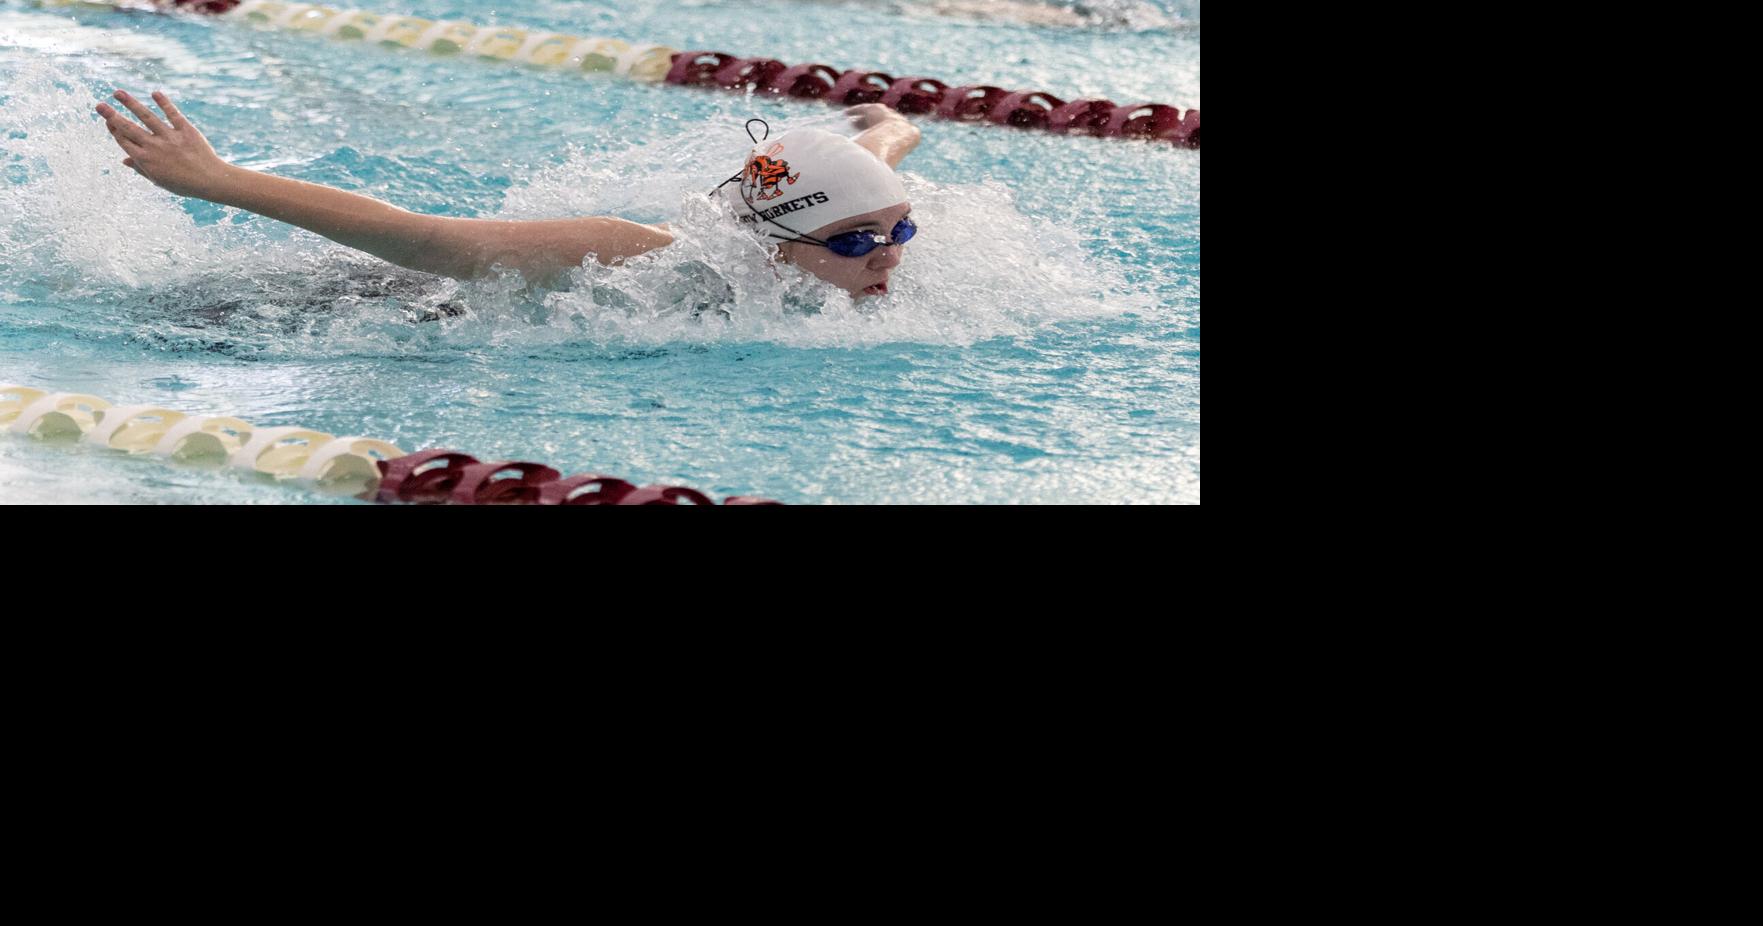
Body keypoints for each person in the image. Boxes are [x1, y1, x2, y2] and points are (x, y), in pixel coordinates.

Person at [93, 89, 921, 298]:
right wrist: (219, 183)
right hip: (384, 300)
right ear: (772, 245)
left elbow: (877, 163)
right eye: (855, 242)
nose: (887, 255)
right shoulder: (639, 254)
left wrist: (887, 133)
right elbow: (425, 240)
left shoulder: (857, 213)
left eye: (899, 232)